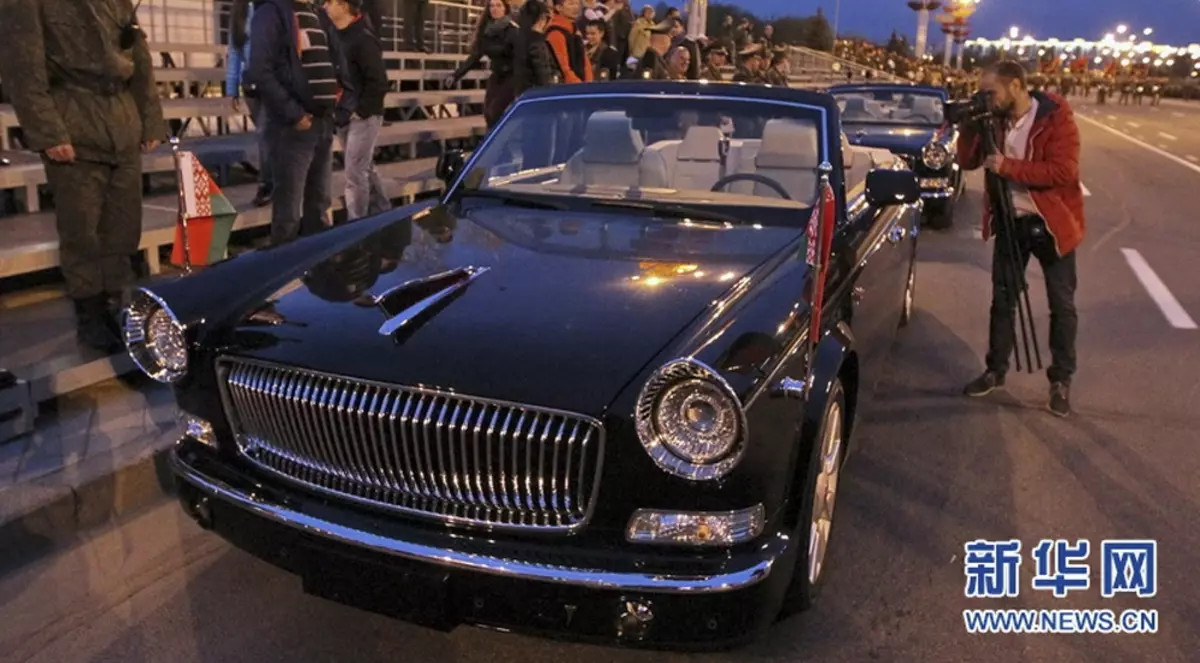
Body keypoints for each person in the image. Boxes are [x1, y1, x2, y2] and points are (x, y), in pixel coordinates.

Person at [0, 0, 167, 351]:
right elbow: (22, 67)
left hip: (121, 121)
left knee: (123, 226)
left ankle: (117, 303)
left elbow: (140, 58)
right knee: (82, 230)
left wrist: (149, 118)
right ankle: (90, 311)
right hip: (73, 121)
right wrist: (48, 132)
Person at [957, 61, 1084, 417]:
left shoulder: (1055, 116)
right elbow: (966, 161)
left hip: (1053, 223)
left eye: (991, 91)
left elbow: (1064, 170)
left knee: (1062, 305)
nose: (987, 98)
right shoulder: (992, 119)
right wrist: (968, 124)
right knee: (1002, 300)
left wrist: (1008, 167)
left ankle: (1061, 380)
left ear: (1015, 86)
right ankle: (995, 370)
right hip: (1011, 222)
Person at [248, 0, 348, 246]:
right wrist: (294, 114)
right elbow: (260, 70)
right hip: (293, 128)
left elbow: (336, 62)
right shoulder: (271, 13)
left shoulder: (318, 15)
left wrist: (338, 106)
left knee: (319, 206)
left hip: (323, 124)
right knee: (288, 215)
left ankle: (317, 273)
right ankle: (285, 277)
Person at [324, 0, 391, 220]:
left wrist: (361, 111)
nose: (324, 6)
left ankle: (357, 223)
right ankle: (382, 211)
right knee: (364, 167)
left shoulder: (363, 38)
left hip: (364, 115)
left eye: (330, 2)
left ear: (344, 6)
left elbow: (379, 81)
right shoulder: (334, 34)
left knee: (354, 173)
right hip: (343, 112)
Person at [226, 0, 273, 207]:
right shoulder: (239, 12)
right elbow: (235, 52)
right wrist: (231, 89)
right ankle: (270, 183)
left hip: (272, 81)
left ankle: (267, 184)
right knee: (265, 135)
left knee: (266, 133)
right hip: (251, 85)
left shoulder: (271, 6)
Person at [446, 0, 519, 127]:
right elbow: (475, 56)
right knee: (488, 113)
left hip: (512, 77)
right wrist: (456, 75)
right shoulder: (486, 31)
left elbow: (520, 56)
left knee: (495, 112)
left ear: (505, 9)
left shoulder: (512, 31)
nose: (494, 9)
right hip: (497, 75)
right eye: (491, 6)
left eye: (498, 5)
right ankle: (493, 142)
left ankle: (499, 142)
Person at [546, 0, 593, 83]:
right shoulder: (556, 33)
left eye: (577, 3)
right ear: (558, 7)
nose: (576, 7)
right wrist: (579, 86)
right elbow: (564, 68)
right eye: (571, 3)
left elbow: (585, 62)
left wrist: (589, 84)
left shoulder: (574, 30)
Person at [514, 0, 555, 95]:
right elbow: (543, 73)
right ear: (542, 18)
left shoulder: (517, 38)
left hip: (522, 94)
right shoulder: (537, 42)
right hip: (538, 94)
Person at [627, 5, 656, 69]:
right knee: (632, 72)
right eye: (648, 12)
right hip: (636, 53)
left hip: (646, 54)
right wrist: (631, 51)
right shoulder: (638, 23)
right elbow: (631, 37)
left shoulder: (653, 25)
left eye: (651, 12)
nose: (650, 14)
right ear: (644, 13)